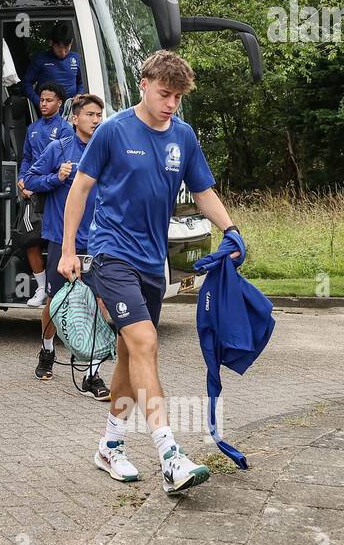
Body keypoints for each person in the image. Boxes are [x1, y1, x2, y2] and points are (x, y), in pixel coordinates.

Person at [58, 50, 245, 494]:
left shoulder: (183, 135)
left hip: (150, 262)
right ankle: (170, 454)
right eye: (165, 94)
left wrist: (232, 229)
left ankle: (109, 445)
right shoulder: (113, 130)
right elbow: (79, 191)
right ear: (144, 84)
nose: (171, 104)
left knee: (129, 355)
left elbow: (203, 191)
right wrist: (69, 251)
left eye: (178, 97)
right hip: (109, 255)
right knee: (145, 341)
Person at [22, 93, 108, 388]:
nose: (96, 120)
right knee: (55, 302)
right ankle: (47, 352)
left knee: (98, 303)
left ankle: (91, 373)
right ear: (74, 118)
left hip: (98, 240)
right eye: (90, 115)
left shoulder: (107, 148)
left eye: (99, 115)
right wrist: (56, 177)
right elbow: (29, 181)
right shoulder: (58, 148)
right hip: (62, 239)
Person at [16, 81, 72, 305]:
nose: (44, 104)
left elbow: (65, 166)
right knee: (30, 240)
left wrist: (44, 182)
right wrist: (22, 180)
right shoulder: (33, 128)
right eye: (42, 100)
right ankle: (41, 289)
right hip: (33, 194)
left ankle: (62, 292)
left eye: (49, 100)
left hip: (55, 193)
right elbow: (27, 159)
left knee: (56, 242)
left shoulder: (66, 129)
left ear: (59, 102)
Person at [21, 22, 84, 107]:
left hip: (70, 111)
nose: (63, 53)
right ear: (51, 43)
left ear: (71, 43)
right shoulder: (40, 59)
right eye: (59, 48)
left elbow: (81, 82)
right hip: (47, 112)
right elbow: (26, 83)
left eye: (66, 48)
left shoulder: (76, 58)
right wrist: (39, 102)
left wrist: (79, 94)